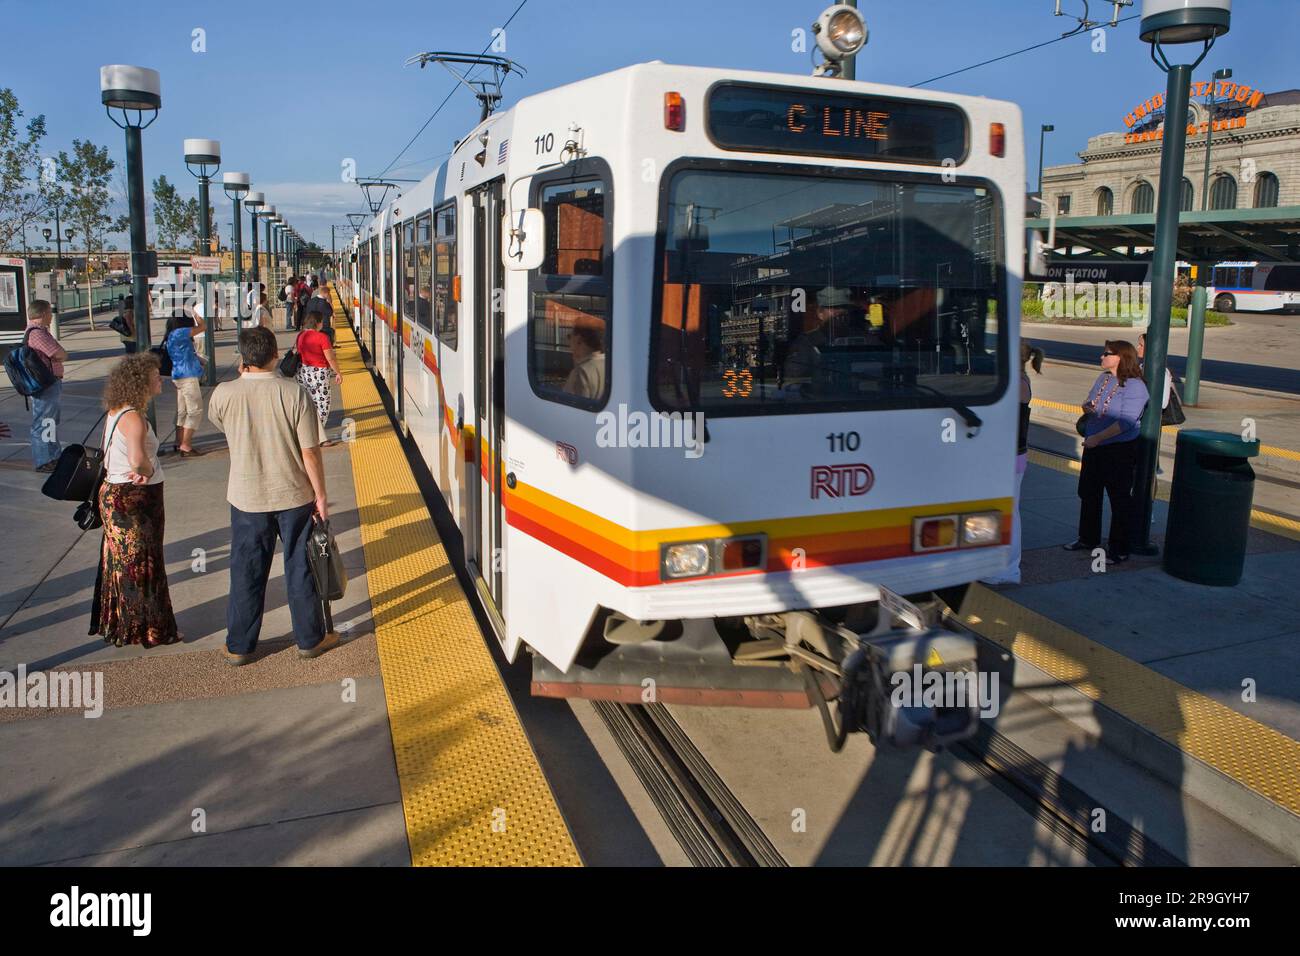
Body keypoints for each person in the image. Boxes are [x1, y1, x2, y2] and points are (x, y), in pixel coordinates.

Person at [208, 326, 338, 665]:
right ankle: (310, 639)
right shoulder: (295, 393)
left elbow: (224, 425)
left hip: (246, 497)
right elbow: (310, 452)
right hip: (294, 496)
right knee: (300, 567)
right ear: (276, 354)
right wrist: (321, 495)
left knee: (246, 570)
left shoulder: (224, 394)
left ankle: (239, 645)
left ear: (243, 357)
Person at [92, 353, 179, 648]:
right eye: (156, 376)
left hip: (115, 496)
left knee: (121, 563)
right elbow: (137, 460)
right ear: (141, 382)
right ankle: (150, 629)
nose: (160, 380)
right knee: (144, 564)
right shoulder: (134, 418)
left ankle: (122, 626)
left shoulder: (116, 412)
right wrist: (148, 468)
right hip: (135, 500)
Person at [1064, 339, 1149, 563]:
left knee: (1118, 498)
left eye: (1106, 354)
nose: (1101, 357)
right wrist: (1088, 407)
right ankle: (1087, 537)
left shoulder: (1135, 386)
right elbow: (1091, 401)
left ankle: (1119, 548)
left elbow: (1126, 421)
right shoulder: (1104, 378)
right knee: (1089, 492)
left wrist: (1098, 438)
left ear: (1121, 357)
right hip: (1095, 444)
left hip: (1118, 449)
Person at [982, 341, 1045, 586]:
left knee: (1009, 512)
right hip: (1005, 455)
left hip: (1010, 457)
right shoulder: (1014, 381)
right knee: (1001, 511)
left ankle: (1008, 569)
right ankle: (997, 566)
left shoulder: (1018, 385)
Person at [25, 299, 66, 473]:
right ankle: (45, 459)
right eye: (49, 312)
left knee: (49, 422)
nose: (51, 316)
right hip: (46, 385)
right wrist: (61, 354)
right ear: (42, 314)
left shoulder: (39, 331)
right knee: (44, 422)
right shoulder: (37, 334)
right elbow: (60, 354)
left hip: (48, 383)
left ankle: (52, 456)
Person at [294, 312, 343, 443]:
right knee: (322, 406)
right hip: (319, 374)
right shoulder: (322, 337)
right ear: (318, 323)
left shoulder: (301, 336)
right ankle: (316, 437)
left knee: (308, 405)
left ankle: (308, 434)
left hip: (304, 373)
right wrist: (338, 372)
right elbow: (330, 358)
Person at [164, 311, 206, 457]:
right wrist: (197, 316)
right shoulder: (180, 332)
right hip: (188, 377)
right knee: (195, 411)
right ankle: (186, 445)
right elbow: (203, 327)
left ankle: (178, 441)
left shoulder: (171, 335)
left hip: (178, 375)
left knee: (182, 411)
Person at [563, 324, 606, 399]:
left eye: (569, 336)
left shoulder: (581, 373)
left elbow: (572, 407)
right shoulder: (610, 364)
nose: (568, 342)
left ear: (579, 340)